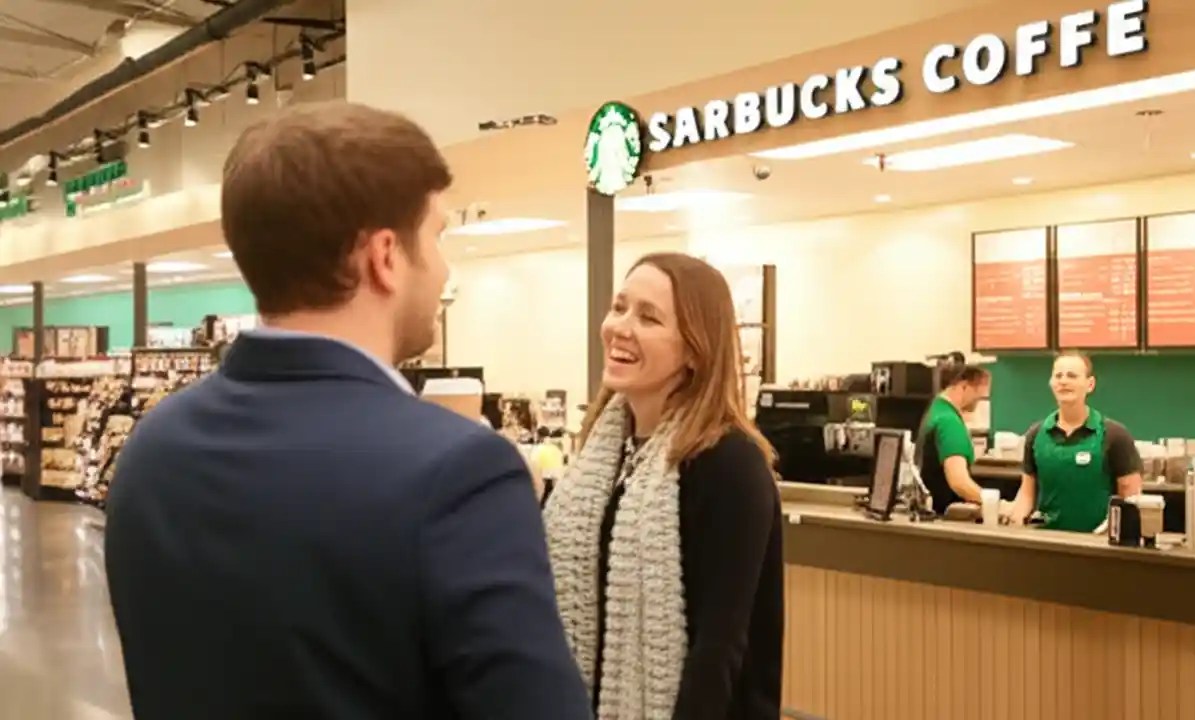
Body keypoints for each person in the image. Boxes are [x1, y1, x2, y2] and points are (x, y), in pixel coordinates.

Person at [104, 102, 591, 720]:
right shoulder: (460, 471)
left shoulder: (154, 448)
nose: (444, 268)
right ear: (384, 257)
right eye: (437, 236)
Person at [542, 253, 783, 719]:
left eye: (648, 317)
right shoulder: (601, 453)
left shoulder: (730, 463)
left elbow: (719, 649)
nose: (620, 327)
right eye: (619, 307)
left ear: (695, 350)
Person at [1007, 351, 1143, 532]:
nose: (1063, 381)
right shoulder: (1035, 434)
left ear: (1090, 384)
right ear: (1051, 383)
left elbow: (1131, 498)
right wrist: (1015, 526)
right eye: (1058, 376)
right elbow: (1026, 494)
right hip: (1045, 543)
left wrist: (1113, 531)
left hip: (1098, 546)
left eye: (1072, 376)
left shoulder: (1115, 435)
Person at [915, 364, 991, 515]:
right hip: (944, 516)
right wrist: (994, 503)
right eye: (979, 396)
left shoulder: (935, 410)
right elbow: (959, 482)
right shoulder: (949, 422)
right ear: (964, 387)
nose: (980, 402)